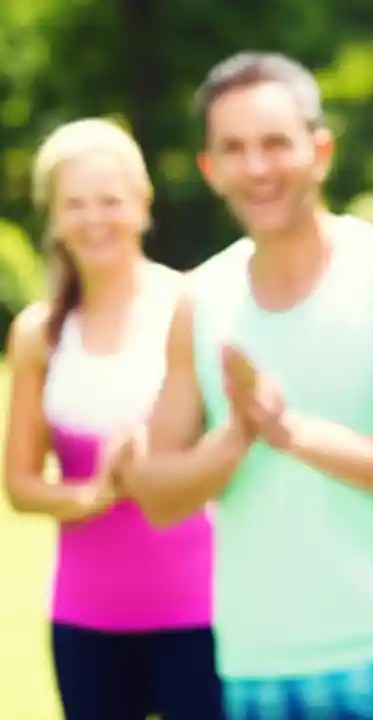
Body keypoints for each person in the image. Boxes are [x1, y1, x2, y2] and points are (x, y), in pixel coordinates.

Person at [117, 52, 373, 719]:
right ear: (209, 167)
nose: (257, 168)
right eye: (234, 149)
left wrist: (296, 435)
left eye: (275, 144)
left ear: (320, 150)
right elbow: (160, 497)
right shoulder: (200, 300)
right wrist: (234, 440)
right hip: (258, 670)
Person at [2, 119, 221, 719]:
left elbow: (232, 448)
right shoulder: (39, 334)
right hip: (85, 620)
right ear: (53, 215)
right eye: (75, 204)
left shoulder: (192, 305)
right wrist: (93, 494)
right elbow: (19, 485)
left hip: (201, 611)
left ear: (142, 203)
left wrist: (159, 469)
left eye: (110, 200)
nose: (94, 219)